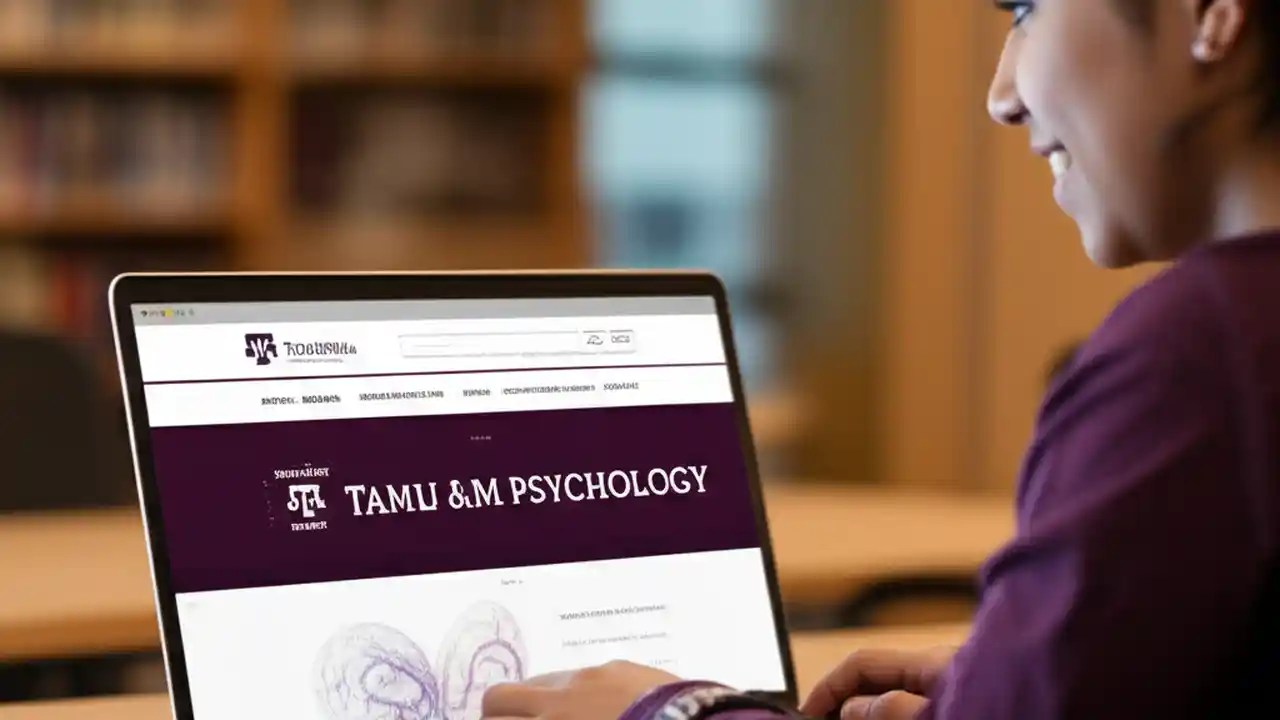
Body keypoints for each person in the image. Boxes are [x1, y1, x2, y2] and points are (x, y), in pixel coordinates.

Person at [480, 0, 1280, 717]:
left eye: (1027, 12)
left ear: (1209, 12)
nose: (1001, 94)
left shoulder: (1198, 352)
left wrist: (668, 713)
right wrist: (1016, 682)